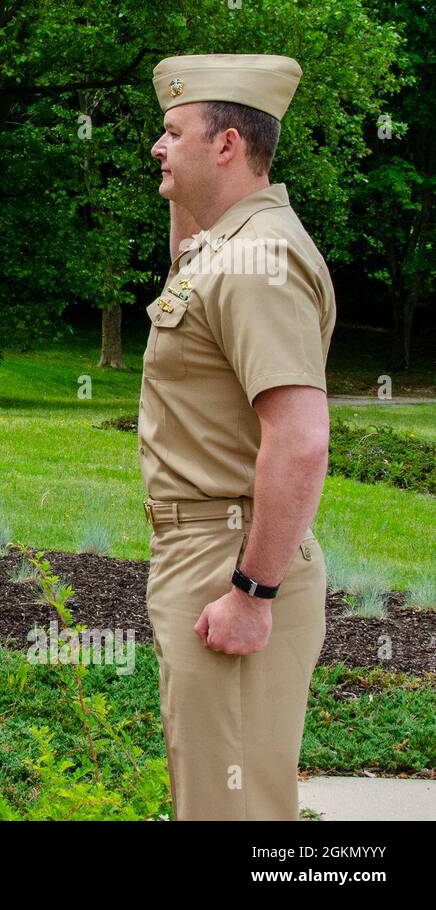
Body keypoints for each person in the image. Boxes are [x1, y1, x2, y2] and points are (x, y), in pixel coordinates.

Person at [140, 54, 336, 819]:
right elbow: (185, 270)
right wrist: (183, 191)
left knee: (237, 812)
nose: (156, 147)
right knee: (213, 800)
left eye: (172, 131)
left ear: (225, 144)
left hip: (233, 558)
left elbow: (300, 437)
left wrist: (253, 593)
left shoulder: (256, 258)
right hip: (207, 551)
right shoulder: (229, 243)